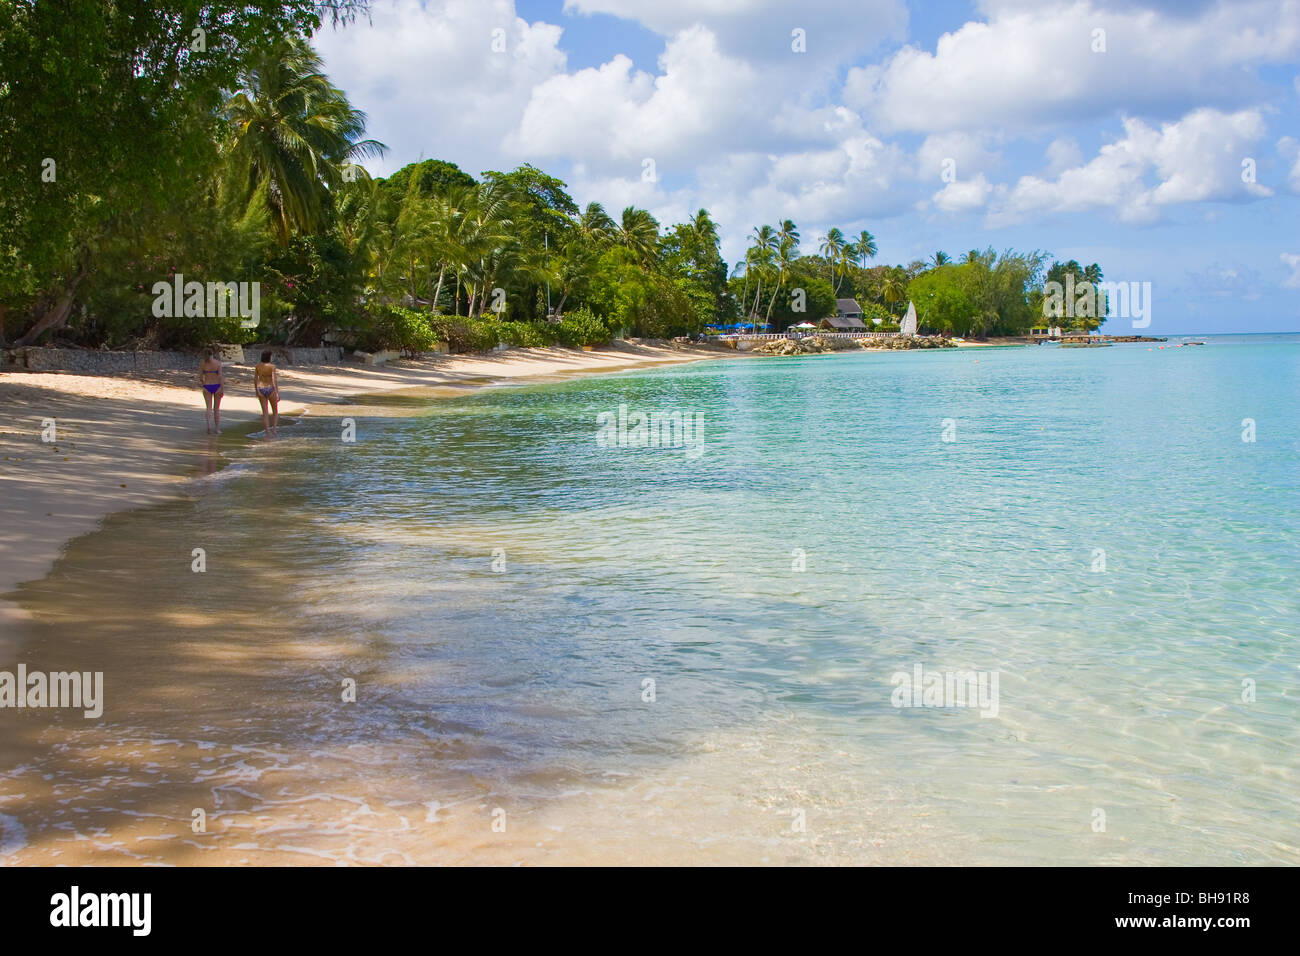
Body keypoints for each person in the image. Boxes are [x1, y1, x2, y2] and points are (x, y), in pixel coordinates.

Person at [254, 350, 280, 437]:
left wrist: (257, 390)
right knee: (275, 411)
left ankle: (267, 432)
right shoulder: (272, 366)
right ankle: (274, 430)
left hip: (261, 388)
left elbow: (255, 379)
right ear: (269, 357)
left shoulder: (258, 366)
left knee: (265, 412)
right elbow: (274, 379)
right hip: (270, 388)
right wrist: (276, 392)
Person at [198, 348, 224, 434]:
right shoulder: (218, 363)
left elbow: (201, 377)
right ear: (212, 354)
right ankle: (216, 429)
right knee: (216, 409)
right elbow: (220, 377)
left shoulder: (202, 364)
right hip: (217, 386)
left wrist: (203, 385)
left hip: (207, 386)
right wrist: (222, 388)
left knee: (208, 407)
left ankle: (208, 426)